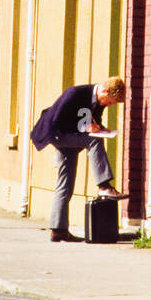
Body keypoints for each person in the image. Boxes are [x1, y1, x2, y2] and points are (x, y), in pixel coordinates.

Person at [31, 76, 125, 242]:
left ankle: (58, 230)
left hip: (70, 136)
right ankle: (104, 186)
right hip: (56, 133)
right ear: (103, 90)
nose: (107, 105)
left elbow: (91, 120)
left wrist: (100, 128)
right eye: (109, 102)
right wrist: (85, 127)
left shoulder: (98, 101)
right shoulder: (74, 93)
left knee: (65, 183)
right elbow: (58, 121)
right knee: (94, 140)